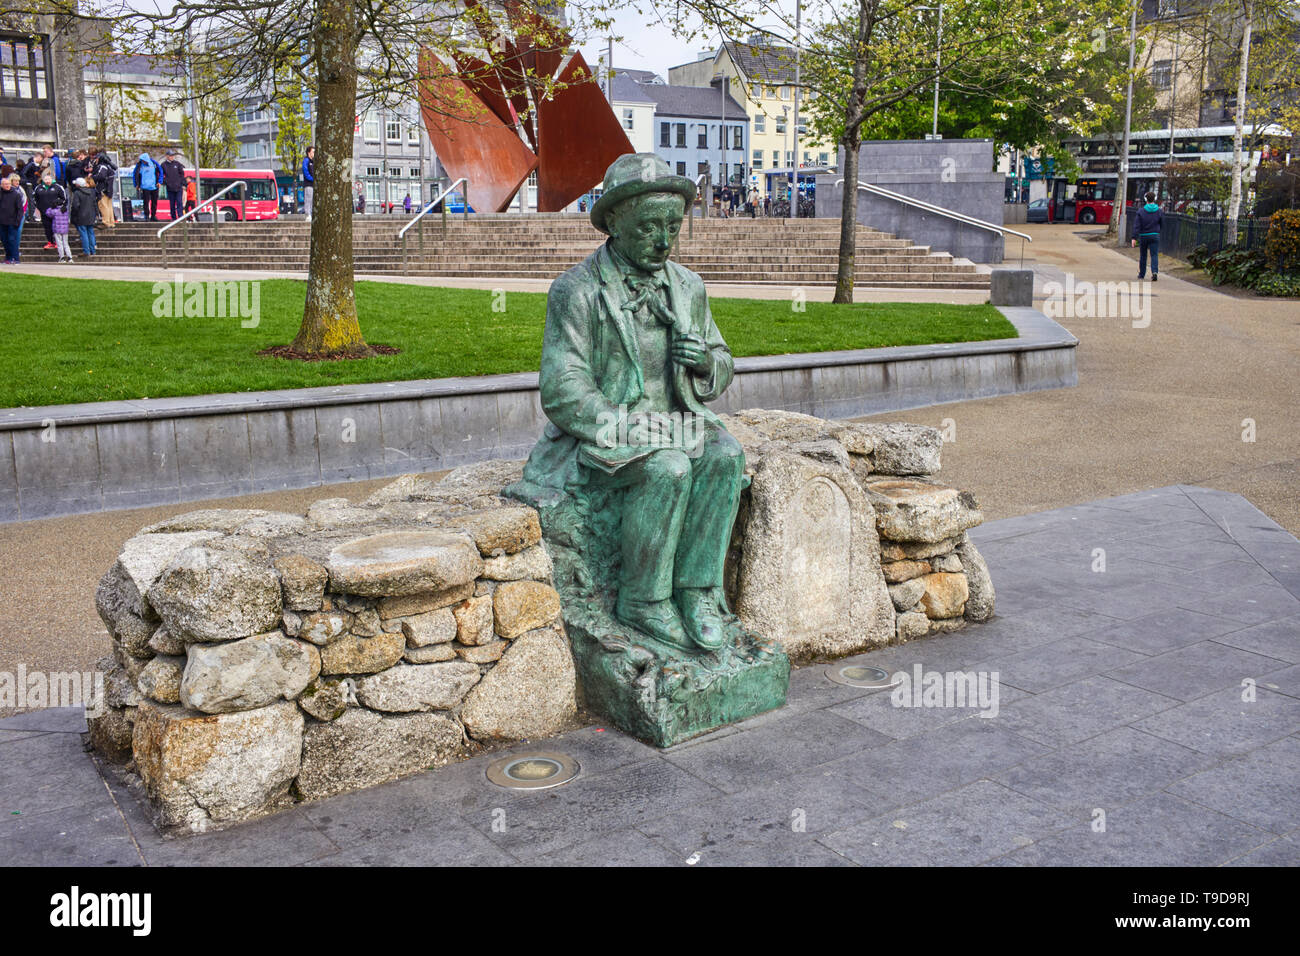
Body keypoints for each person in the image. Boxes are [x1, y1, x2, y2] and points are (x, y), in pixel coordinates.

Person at [517, 154, 744, 651]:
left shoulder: (688, 287)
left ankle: (697, 589)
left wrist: (705, 361)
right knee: (669, 468)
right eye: (647, 228)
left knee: (726, 456)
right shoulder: (577, 291)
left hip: (676, 420)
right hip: (610, 434)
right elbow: (563, 387)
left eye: (672, 227)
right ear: (614, 222)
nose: (663, 241)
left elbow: (724, 359)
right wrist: (627, 428)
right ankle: (643, 600)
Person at [1130, 191, 1163, 281]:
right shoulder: (1159, 211)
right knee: (1154, 255)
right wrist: (1158, 231)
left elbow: (1137, 226)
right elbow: (1161, 223)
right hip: (1155, 235)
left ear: (1146, 199)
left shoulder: (1141, 211)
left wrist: (1134, 238)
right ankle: (1154, 272)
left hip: (1144, 236)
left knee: (1143, 255)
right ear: (1154, 199)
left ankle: (1142, 274)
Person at [33, 170, 66, 248]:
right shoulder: (38, 188)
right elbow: (34, 199)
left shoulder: (58, 187)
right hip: (44, 212)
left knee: (56, 227)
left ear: (52, 179)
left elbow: (64, 198)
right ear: (43, 180)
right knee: (47, 227)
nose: (47, 181)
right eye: (46, 180)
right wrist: (39, 207)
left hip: (56, 212)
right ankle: (50, 241)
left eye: (49, 179)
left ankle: (57, 242)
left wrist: (57, 204)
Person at [0, 174, 25, 263]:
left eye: (8, 184)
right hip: (2, 222)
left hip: (12, 222)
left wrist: (17, 221)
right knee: (5, 241)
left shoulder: (16, 194)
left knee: (12, 240)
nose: (7, 186)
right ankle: (8, 258)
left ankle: (15, 258)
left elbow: (20, 210)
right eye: (5, 184)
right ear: (1, 185)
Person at [70, 177, 99, 256]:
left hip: (81, 216)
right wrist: (96, 214)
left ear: (78, 185)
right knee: (91, 233)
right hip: (91, 215)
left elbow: (75, 206)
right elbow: (94, 203)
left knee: (84, 233)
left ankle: (86, 251)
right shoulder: (91, 192)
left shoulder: (77, 193)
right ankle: (93, 250)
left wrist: (74, 215)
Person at [132, 152, 162, 220]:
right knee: (146, 202)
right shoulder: (139, 165)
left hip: (154, 186)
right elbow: (134, 174)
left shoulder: (154, 163)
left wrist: (160, 181)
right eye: (142, 160)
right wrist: (136, 184)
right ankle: (146, 216)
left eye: (144, 160)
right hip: (145, 187)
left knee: (154, 202)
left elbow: (161, 171)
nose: (143, 162)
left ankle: (153, 215)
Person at [92, 151, 117, 228]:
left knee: (103, 206)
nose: (96, 160)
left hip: (103, 189)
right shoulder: (109, 167)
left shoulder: (102, 167)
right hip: (108, 190)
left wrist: (92, 177)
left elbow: (101, 176)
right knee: (109, 206)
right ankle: (111, 222)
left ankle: (106, 222)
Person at [160, 149, 186, 220]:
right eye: (170, 155)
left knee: (179, 202)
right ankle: (173, 217)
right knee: (172, 204)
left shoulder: (177, 164)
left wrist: (181, 183)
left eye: (173, 155)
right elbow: (160, 175)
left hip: (178, 187)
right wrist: (166, 182)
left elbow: (182, 174)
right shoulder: (163, 165)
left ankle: (180, 216)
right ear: (167, 156)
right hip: (170, 188)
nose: (172, 157)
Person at [48, 192, 73, 262]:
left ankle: (62, 257)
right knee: (66, 244)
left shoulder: (54, 211)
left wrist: (52, 206)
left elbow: (48, 213)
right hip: (65, 230)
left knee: (59, 244)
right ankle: (70, 257)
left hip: (57, 229)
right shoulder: (65, 210)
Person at [301, 146, 315, 221]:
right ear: (309, 153)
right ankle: (308, 215)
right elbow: (305, 171)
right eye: (313, 152)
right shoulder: (306, 161)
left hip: (312, 184)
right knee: (308, 199)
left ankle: (311, 214)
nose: (314, 153)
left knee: (312, 200)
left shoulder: (313, 162)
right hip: (308, 184)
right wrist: (312, 179)